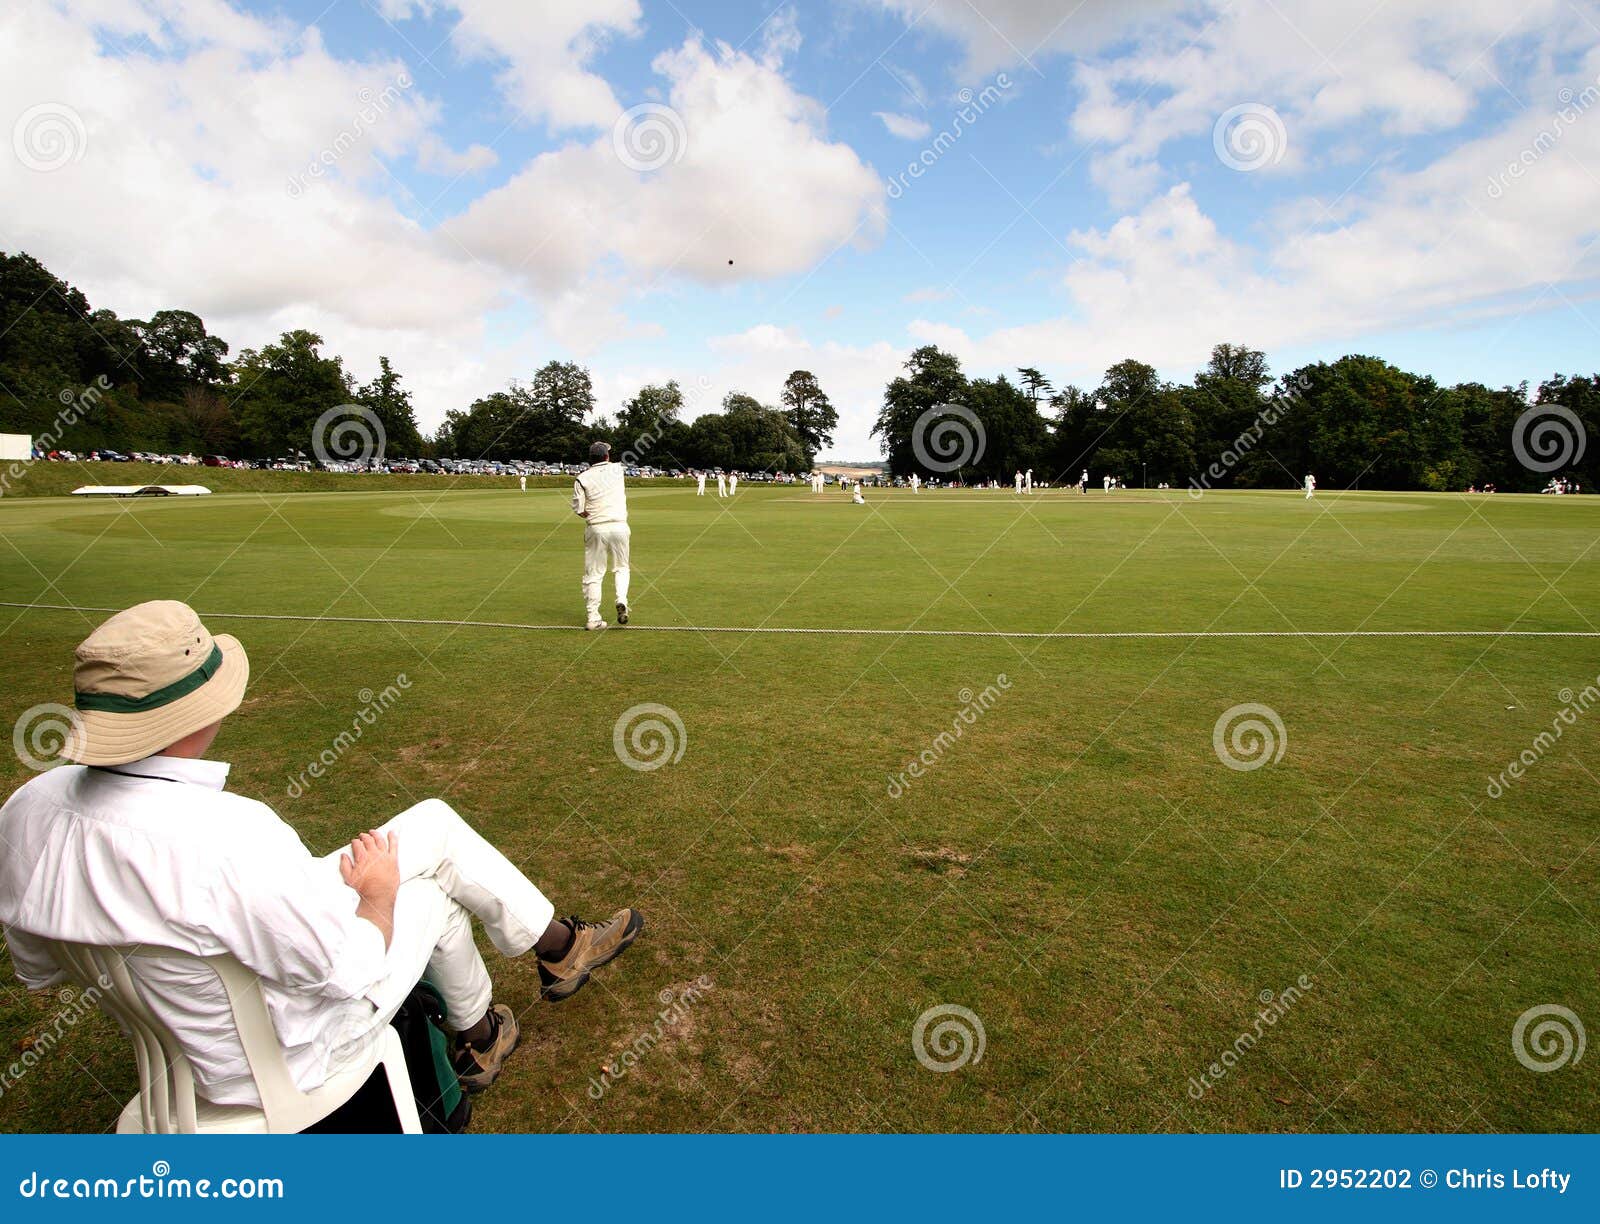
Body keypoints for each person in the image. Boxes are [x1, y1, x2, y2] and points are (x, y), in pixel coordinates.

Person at [0, 600, 644, 1108]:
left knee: (434, 827)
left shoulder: (28, 806)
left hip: (188, 1041)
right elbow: (349, 971)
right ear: (199, 711)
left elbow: (38, 969)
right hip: (283, 1053)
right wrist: (375, 893)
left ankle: (547, 960)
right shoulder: (230, 833)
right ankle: (492, 1026)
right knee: (433, 896)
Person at [573, 440, 630, 630]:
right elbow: (609, 453)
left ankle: (593, 618)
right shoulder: (618, 469)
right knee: (621, 568)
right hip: (620, 526)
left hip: (596, 527)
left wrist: (594, 516)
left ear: (590, 459)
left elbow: (579, 510)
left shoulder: (582, 478)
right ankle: (621, 599)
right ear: (607, 456)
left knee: (594, 574)